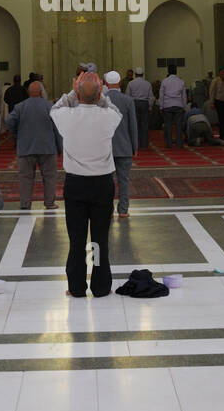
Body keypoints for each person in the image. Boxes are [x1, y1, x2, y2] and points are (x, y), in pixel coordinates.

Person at [51, 72, 122, 297]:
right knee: (100, 239)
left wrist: (75, 89)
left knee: (76, 239)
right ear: (101, 93)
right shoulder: (107, 116)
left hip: (76, 185)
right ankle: (101, 287)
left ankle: (76, 287)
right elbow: (114, 109)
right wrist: (98, 93)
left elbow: (55, 108)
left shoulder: (66, 115)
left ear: (77, 93)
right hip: (102, 185)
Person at [7, 80, 61, 210]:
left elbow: (9, 121)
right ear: (41, 92)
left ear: (28, 92)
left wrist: (17, 136)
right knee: (49, 176)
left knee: (25, 178)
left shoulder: (20, 107)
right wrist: (59, 147)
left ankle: (25, 204)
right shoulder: (49, 106)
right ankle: (49, 203)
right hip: (47, 148)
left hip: (26, 147)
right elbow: (57, 128)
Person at [103, 71, 139, 215]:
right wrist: (134, 146)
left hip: (105, 148)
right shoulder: (128, 100)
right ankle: (123, 210)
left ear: (106, 83)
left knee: (107, 181)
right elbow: (133, 126)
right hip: (124, 147)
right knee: (123, 180)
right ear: (119, 83)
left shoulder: (101, 100)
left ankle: (108, 210)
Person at [159, 63, 188, 148]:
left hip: (167, 105)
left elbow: (161, 95)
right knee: (179, 125)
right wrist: (184, 106)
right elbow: (184, 95)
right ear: (176, 71)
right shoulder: (181, 81)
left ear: (168, 71)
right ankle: (179, 144)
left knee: (168, 126)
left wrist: (161, 106)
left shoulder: (164, 81)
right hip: (178, 105)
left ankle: (169, 144)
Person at [127, 68, 153, 151]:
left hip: (134, 103)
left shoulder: (131, 83)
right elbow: (151, 96)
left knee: (135, 124)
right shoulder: (147, 84)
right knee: (144, 125)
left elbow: (127, 96)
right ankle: (144, 144)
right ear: (143, 74)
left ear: (135, 74)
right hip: (144, 103)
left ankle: (135, 144)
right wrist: (150, 106)